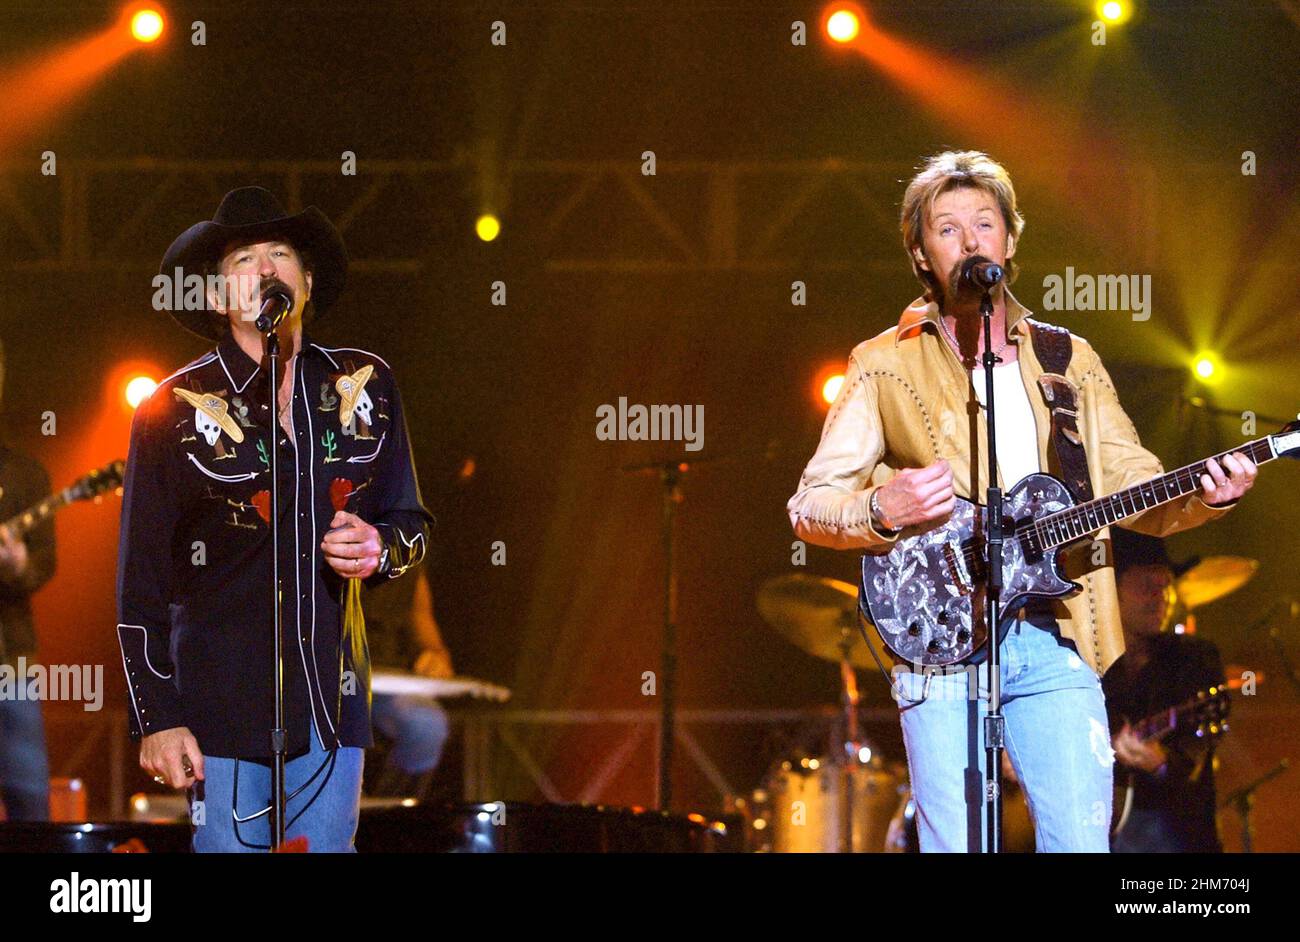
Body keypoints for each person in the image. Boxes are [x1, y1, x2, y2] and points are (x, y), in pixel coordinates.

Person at [787, 151, 1256, 852]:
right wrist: (882, 507)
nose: (972, 240)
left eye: (986, 223)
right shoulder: (882, 362)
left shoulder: (1070, 360)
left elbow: (1136, 487)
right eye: (948, 229)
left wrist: (1206, 496)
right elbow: (812, 502)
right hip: (938, 640)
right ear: (920, 253)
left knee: (1079, 845)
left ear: (1010, 239)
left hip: (1058, 636)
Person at [116, 187, 433, 851]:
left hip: (331, 706)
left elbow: (412, 527)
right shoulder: (170, 411)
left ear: (307, 282)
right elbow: (137, 585)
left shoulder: (366, 384)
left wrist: (381, 548)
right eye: (243, 258)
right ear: (211, 295)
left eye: (281, 253)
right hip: (217, 714)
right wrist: (157, 718)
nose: (265, 268)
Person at [1103, 528, 1225, 852]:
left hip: (1171, 827)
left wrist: (1160, 763)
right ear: (1112, 591)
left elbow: (1196, 758)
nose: (1161, 598)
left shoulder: (1195, 659)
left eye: (1165, 587)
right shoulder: (1087, 663)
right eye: (1147, 587)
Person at [0, 338, 57, 821]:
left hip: (9, 661)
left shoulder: (23, 474)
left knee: (28, 796)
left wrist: (18, 564)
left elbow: (46, 562)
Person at [366, 565, 454, 797]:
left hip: (385, 683)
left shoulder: (408, 563)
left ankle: (390, 810)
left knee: (426, 723)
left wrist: (435, 658)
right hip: (320, 680)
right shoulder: (311, 549)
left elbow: (428, 636)